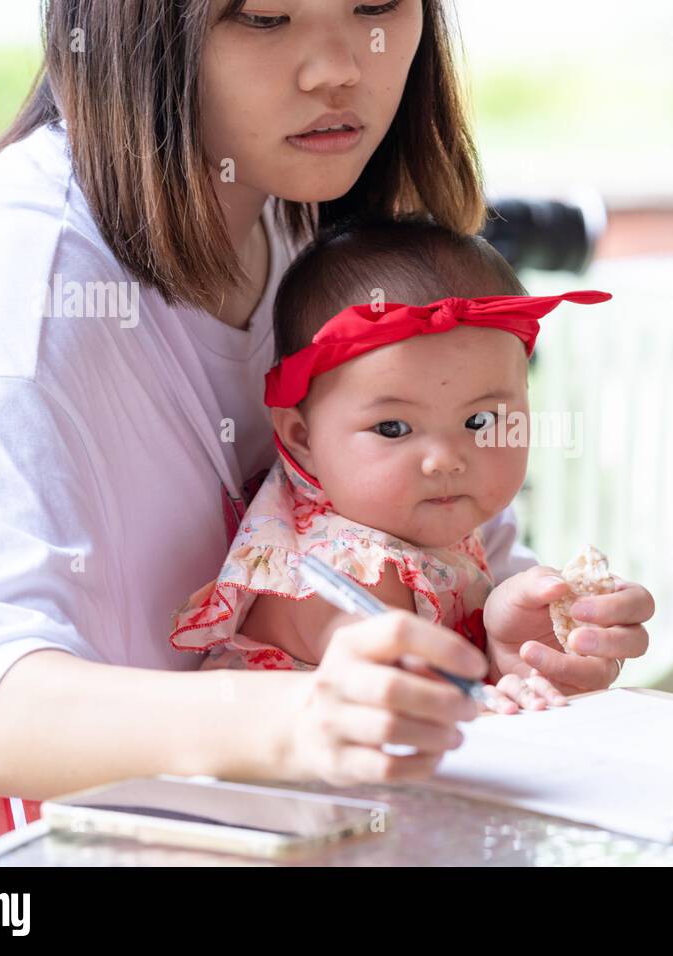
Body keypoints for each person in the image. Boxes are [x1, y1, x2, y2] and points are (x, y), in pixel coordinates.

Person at [0, 0, 654, 807]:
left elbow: (434, 545)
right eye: (264, 17)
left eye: (376, 6)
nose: (338, 69)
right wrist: (302, 717)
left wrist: (502, 632)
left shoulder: (307, 227)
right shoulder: (18, 293)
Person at [170, 215, 628, 717]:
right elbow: (394, 692)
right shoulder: (345, 568)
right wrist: (487, 701)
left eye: (480, 420)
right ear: (302, 437)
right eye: (393, 428)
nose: (446, 459)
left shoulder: (417, 525)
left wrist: (513, 658)